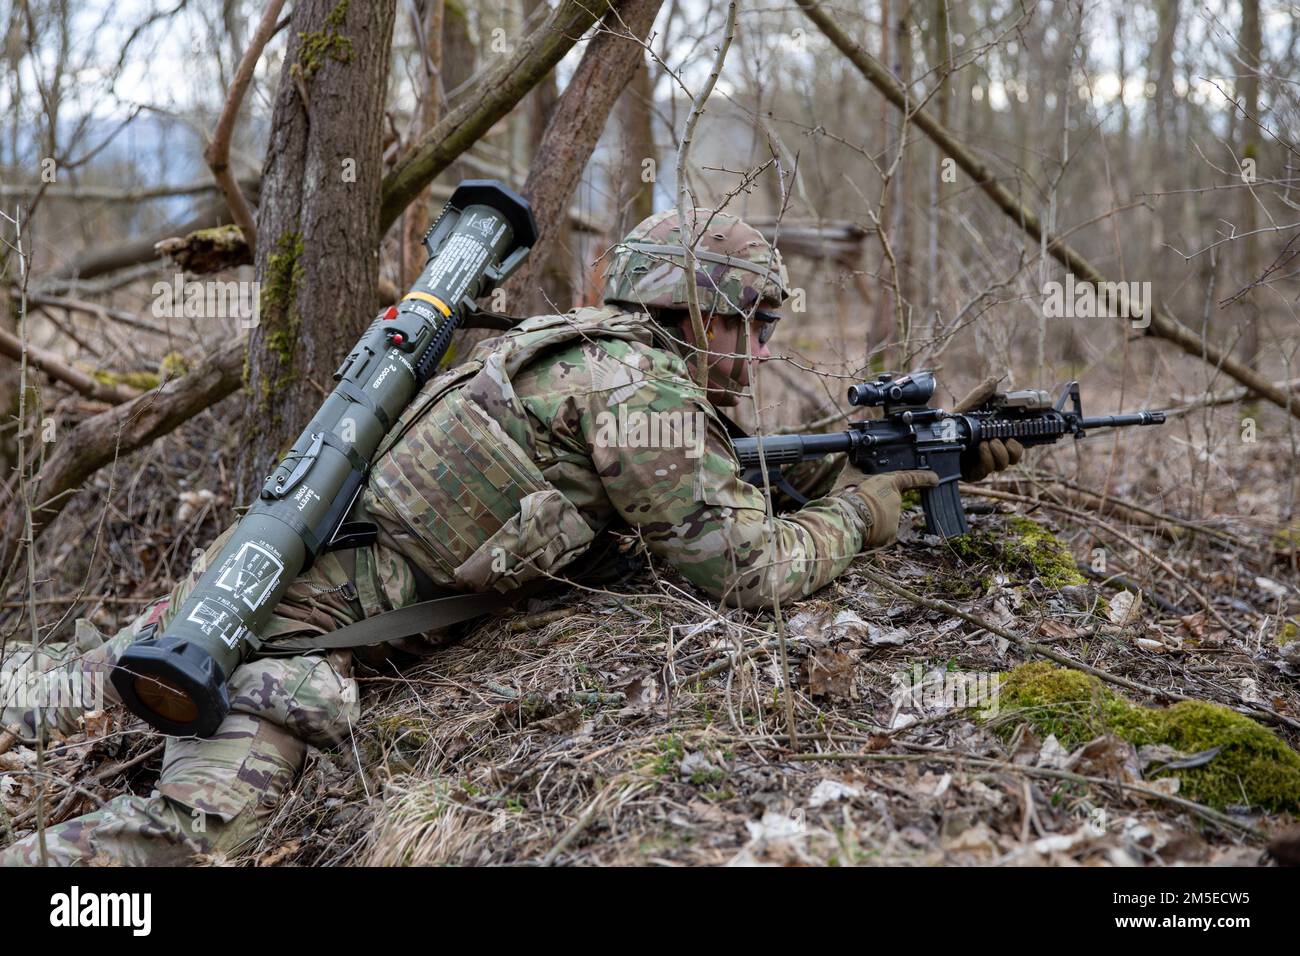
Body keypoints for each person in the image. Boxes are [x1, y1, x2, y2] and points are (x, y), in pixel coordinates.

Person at [0, 207, 1020, 865]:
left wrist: (897, 450)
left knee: (42, 689)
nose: (758, 350)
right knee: (188, 852)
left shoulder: (577, 352)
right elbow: (746, 569)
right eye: (746, 323)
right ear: (689, 309)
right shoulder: (637, 388)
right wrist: (866, 509)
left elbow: (709, 476)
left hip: (225, 592)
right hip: (274, 651)